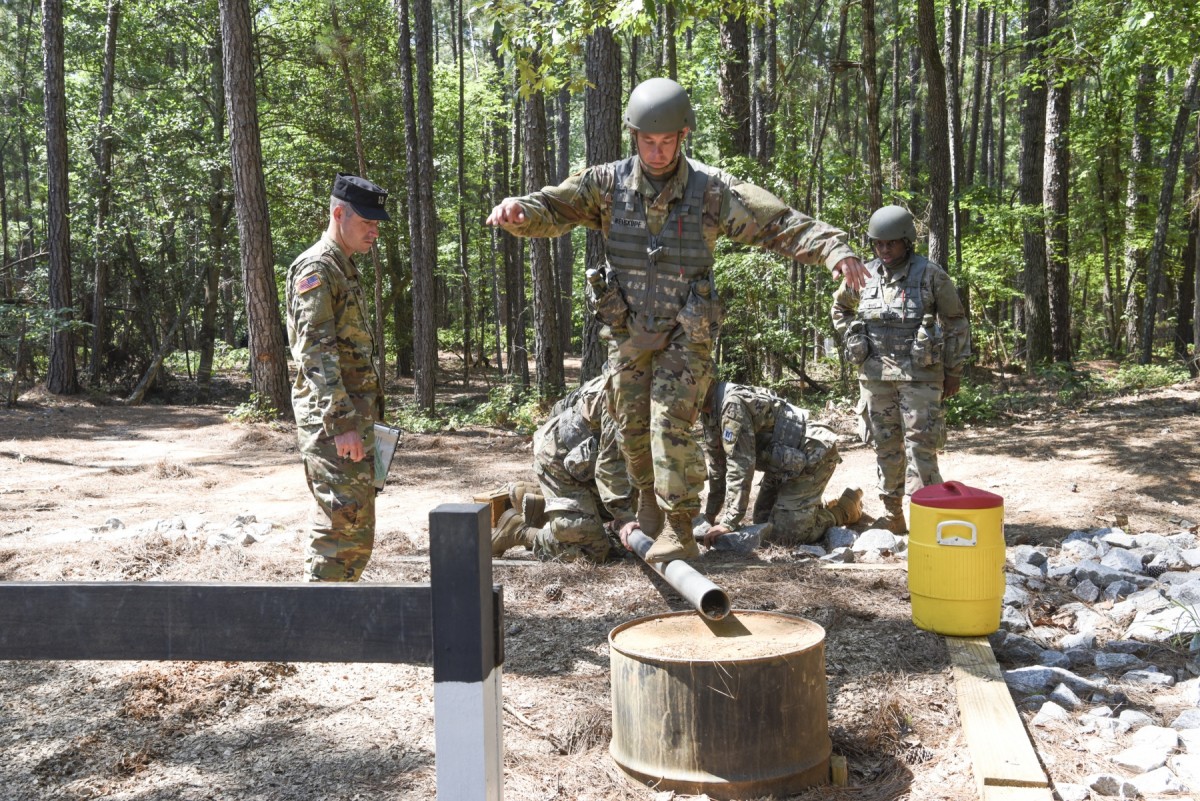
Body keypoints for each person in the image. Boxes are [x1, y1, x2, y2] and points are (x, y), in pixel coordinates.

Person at [486, 77, 868, 563]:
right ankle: (646, 506)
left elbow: (777, 223)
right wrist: (520, 212)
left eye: (668, 141)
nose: (659, 151)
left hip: (687, 336)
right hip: (628, 334)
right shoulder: (606, 184)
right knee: (628, 428)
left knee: (671, 425)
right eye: (649, 141)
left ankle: (681, 527)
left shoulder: (711, 190)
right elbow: (552, 206)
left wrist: (833, 248)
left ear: (684, 136)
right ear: (633, 136)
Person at [830, 205, 970, 534]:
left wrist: (954, 369)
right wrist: (854, 335)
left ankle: (926, 514)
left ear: (907, 241)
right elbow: (840, 308)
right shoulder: (863, 275)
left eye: (891, 243)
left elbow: (955, 321)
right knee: (885, 446)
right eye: (878, 244)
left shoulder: (930, 274)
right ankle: (893, 515)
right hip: (877, 376)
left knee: (921, 446)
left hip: (920, 376)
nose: (884, 250)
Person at [285, 173, 389, 581]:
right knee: (341, 531)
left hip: (352, 420)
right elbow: (315, 352)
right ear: (338, 213)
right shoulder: (317, 269)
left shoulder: (342, 267)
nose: (374, 231)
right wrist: (344, 423)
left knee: (352, 527)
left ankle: (334, 617)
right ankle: (322, 629)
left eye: (377, 224)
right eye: (367, 222)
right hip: (335, 426)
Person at [491, 376, 636, 562]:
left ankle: (543, 502)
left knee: (627, 499)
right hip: (560, 463)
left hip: (582, 466)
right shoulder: (628, 395)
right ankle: (518, 532)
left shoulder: (631, 370)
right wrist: (624, 517)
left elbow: (562, 406)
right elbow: (610, 466)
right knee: (592, 549)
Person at [700, 381, 863, 548]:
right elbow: (717, 466)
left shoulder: (732, 405)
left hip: (813, 455)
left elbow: (740, 466)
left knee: (788, 534)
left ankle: (846, 508)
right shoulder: (708, 411)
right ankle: (811, 506)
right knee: (763, 520)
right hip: (784, 464)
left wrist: (728, 522)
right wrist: (710, 515)